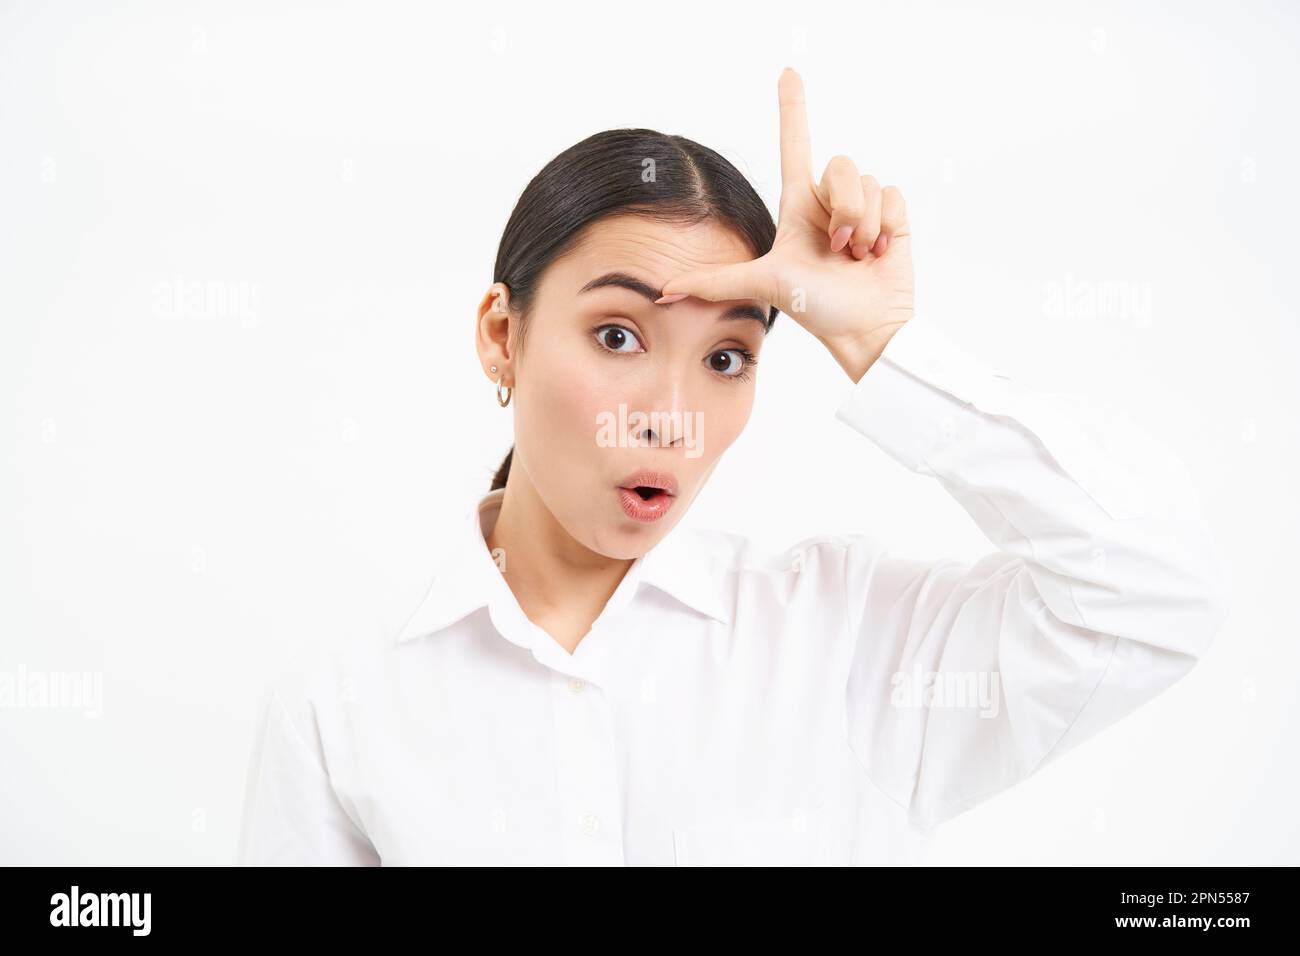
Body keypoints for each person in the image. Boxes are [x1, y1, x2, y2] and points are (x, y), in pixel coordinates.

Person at [237, 68, 1230, 866]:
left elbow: (1152, 592)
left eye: (726, 357)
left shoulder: (853, 642)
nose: (672, 415)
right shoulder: (341, 709)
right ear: (503, 335)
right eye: (618, 335)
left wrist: (887, 347)